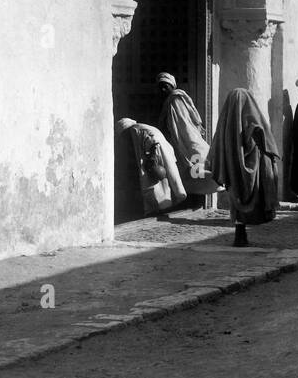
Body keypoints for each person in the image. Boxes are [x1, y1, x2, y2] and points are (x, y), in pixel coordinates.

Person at [208, 87, 281, 247]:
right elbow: (266, 143)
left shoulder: (226, 122)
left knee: (237, 198)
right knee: (252, 196)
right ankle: (242, 234)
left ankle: (239, 233)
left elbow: (217, 148)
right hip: (253, 165)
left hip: (234, 168)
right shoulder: (254, 118)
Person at [156, 72, 216, 203]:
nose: (163, 89)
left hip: (187, 138)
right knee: (187, 171)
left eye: (165, 86)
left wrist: (186, 139)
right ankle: (191, 197)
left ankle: (204, 193)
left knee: (197, 166)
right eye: (160, 86)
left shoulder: (176, 99)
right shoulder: (170, 101)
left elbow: (183, 123)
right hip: (177, 140)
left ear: (172, 85)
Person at [115, 118, 187, 216]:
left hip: (158, 155)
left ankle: (160, 208)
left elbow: (153, 143)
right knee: (167, 181)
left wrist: (152, 158)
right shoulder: (143, 127)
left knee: (157, 184)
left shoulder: (136, 130)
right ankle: (165, 205)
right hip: (163, 153)